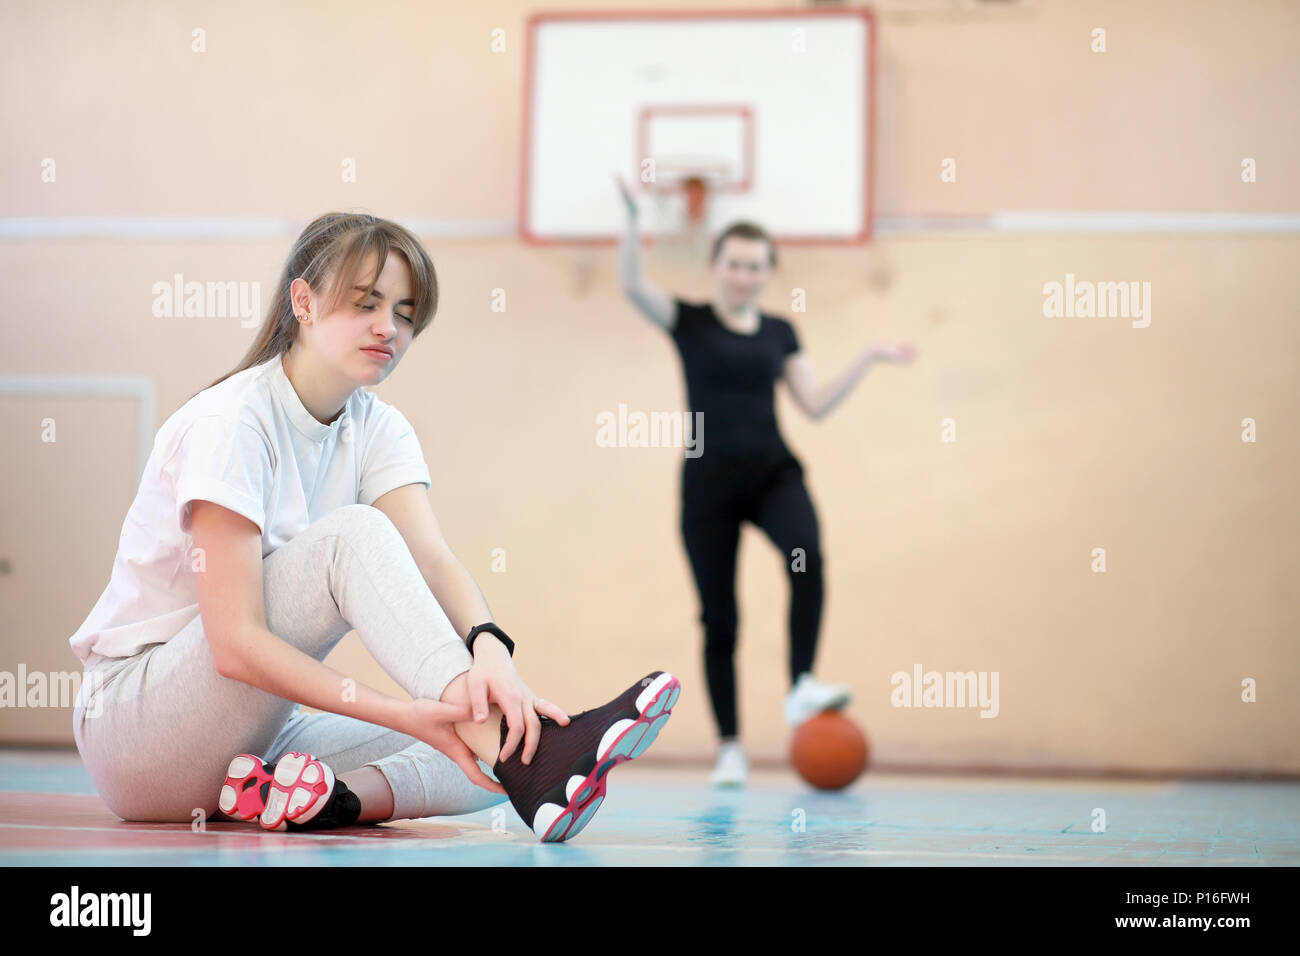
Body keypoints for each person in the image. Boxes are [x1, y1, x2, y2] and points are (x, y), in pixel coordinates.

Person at [68, 211, 679, 843]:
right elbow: (235, 644)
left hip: (252, 747)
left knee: (466, 756)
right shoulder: (233, 423)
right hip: (138, 733)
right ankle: (530, 752)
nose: (390, 328)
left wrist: (492, 648)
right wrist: (406, 714)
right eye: (367, 304)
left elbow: (435, 560)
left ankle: (331, 799)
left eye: (407, 314)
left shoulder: (378, 427)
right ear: (302, 302)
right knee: (355, 546)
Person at [615, 178, 915, 786]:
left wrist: (867, 357)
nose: (744, 275)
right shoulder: (690, 321)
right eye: (734, 264)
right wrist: (631, 220)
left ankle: (802, 684)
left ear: (767, 272)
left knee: (808, 557)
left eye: (755, 267)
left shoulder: (780, 333)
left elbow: (815, 403)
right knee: (720, 619)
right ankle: (730, 747)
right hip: (708, 487)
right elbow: (631, 286)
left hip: (773, 472)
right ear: (716, 266)